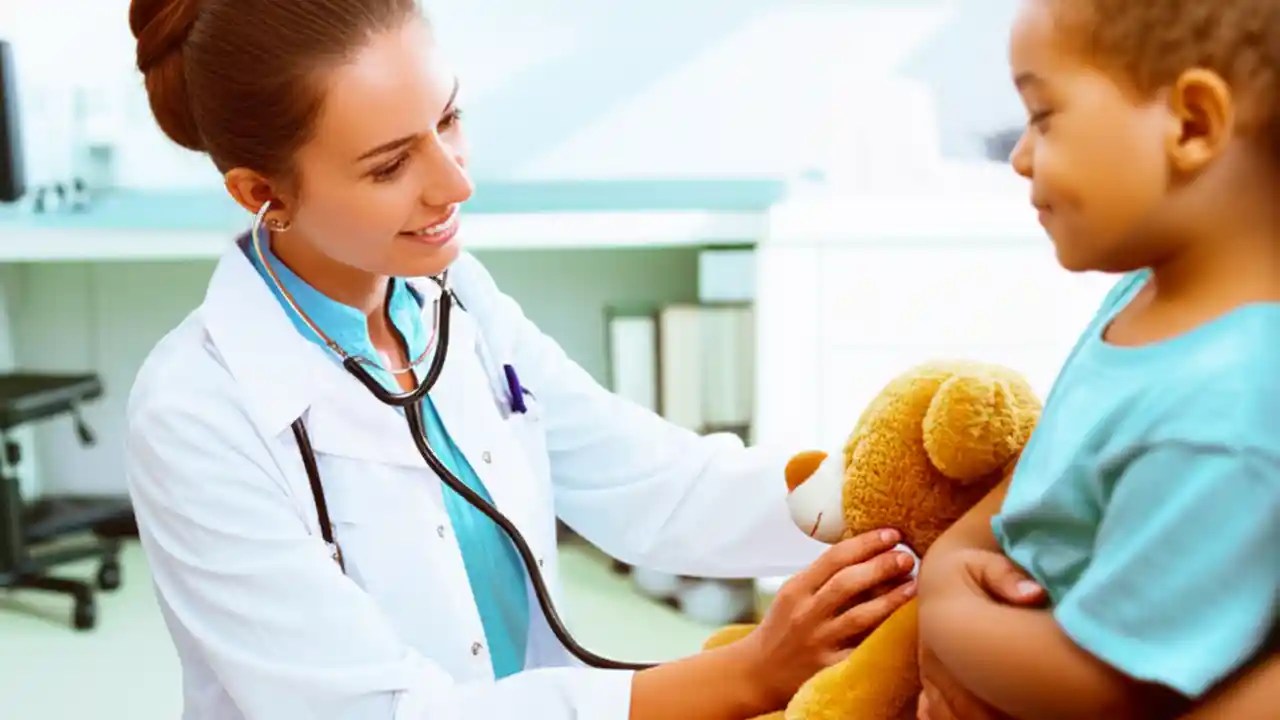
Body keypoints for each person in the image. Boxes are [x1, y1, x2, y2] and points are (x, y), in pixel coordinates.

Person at [124, 1, 1042, 718]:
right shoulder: (200, 410)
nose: (454, 182)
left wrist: (899, 493)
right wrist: (751, 675)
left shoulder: (456, 303)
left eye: (449, 120)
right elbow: (385, 712)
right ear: (262, 192)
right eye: (389, 164)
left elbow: (654, 486)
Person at [914, 0, 1280, 718]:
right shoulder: (1140, 299)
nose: (1019, 157)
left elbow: (1100, 686)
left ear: (1193, 124)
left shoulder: (1227, 413)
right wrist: (948, 567)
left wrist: (942, 615)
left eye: (1044, 117)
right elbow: (1044, 479)